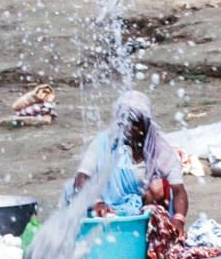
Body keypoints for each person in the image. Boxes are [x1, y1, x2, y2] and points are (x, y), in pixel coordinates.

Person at [73, 90, 189, 236]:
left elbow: (179, 191)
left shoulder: (160, 150)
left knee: (158, 187)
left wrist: (179, 220)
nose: (128, 128)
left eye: (135, 124)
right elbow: (81, 178)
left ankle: (149, 234)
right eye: (124, 121)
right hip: (105, 211)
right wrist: (97, 203)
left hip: (143, 212)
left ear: (145, 125)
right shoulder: (103, 144)